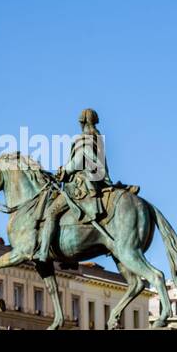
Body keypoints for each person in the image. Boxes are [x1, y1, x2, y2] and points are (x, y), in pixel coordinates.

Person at [34, 108, 112, 262]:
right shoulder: (97, 136)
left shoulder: (85, 137)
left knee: (51, 213)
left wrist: (64, 170)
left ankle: (43, 252)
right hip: (92, 179)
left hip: (81, 184)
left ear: (83, 121)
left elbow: (81, 158)